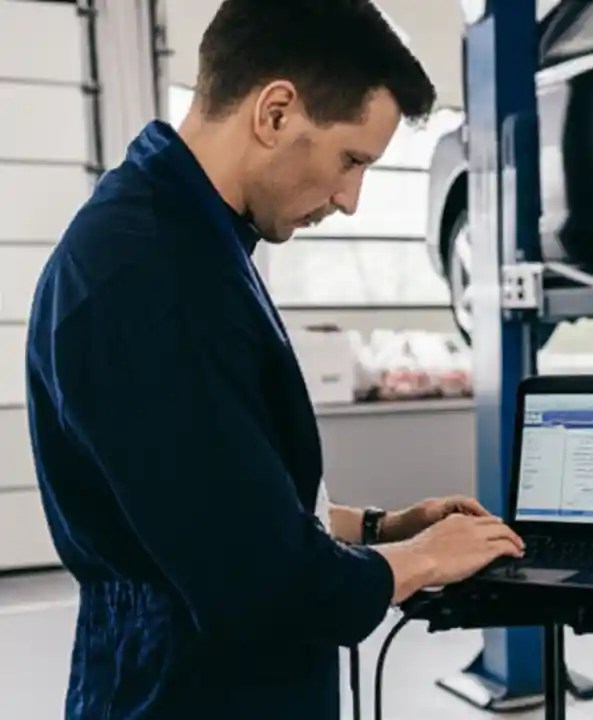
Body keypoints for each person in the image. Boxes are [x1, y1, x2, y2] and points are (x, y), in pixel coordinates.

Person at [24, 1, 524, 717]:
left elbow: (215, 501)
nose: (351, 200)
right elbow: (263, 586)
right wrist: (427, 558)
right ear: (276, 112)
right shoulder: (149, 276)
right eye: (351, 160)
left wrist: (382, 527)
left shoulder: (190, 239)